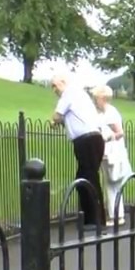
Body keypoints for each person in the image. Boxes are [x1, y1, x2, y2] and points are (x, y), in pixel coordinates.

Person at [50, 74, 107, 227]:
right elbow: (70, 118)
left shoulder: (69, 93)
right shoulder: (80, 95)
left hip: (86, 141)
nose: (54, 90)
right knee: (85, 178)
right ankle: (91, 218)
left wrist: (52, 122)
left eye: (55, 85)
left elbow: (57, 116)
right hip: (93, 139)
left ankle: (95, 220)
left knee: (88, 179)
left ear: (63, 83)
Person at [90, 85, 134, 226]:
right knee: (111, 184)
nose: (94, 100)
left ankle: (116, 215)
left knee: (112, 184)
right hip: (106, 152)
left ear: (102, 98)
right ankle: (116, 215)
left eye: (95, 98)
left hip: (113, 152)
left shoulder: (110, 112)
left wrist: (106, 138)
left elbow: (120, 132)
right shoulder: (102, 113)